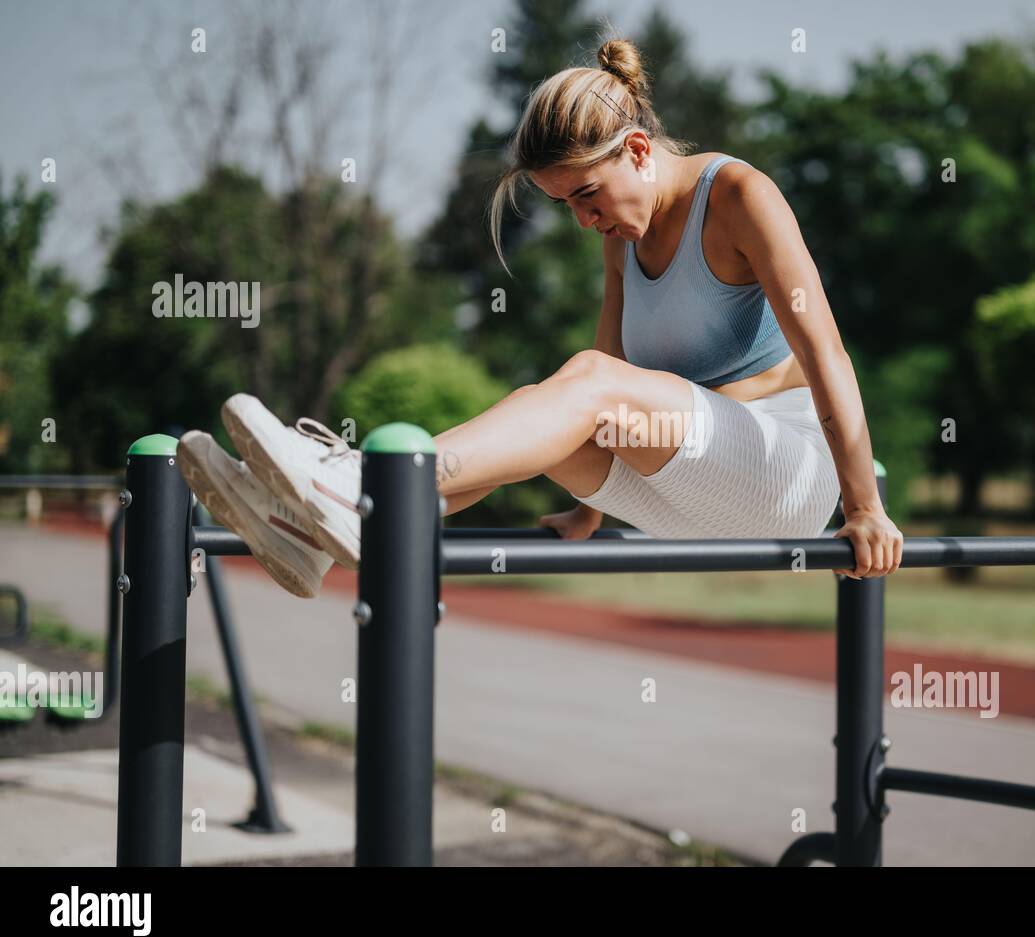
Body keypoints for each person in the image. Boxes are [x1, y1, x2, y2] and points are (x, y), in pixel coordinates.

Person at [178, 36, 903, 598]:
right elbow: (603, 378)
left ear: (640, 150)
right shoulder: (625, 232)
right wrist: (588, 506)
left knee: (582, 381)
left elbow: (826, 356)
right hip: (689, 475)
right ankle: (314, 531)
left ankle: (360, 479)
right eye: (566, 206)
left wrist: (863, 506)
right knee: (542, 404)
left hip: (789, 475)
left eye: (587, 195)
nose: (584, 221)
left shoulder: (740, 195)